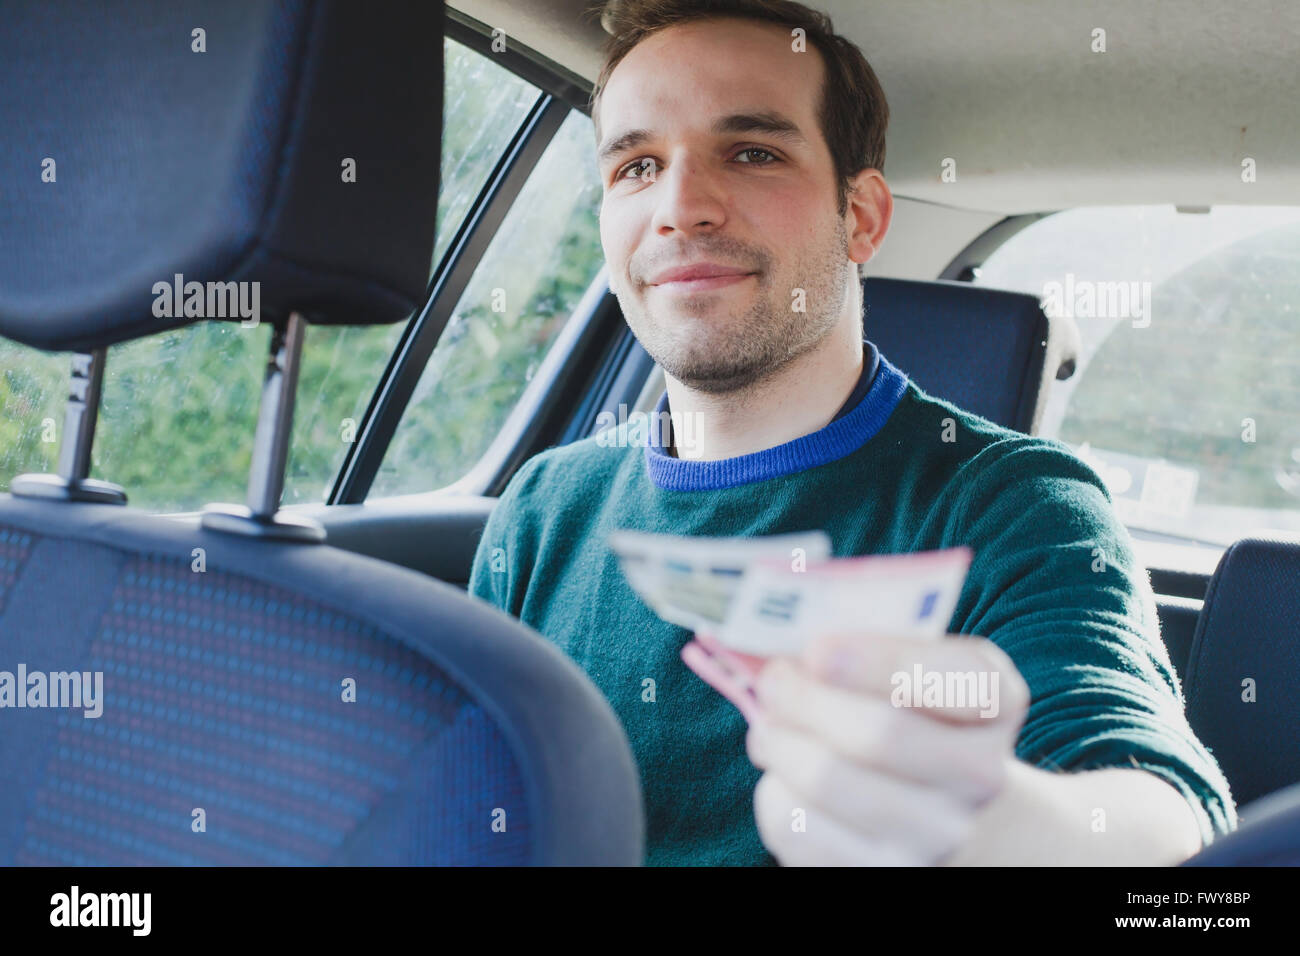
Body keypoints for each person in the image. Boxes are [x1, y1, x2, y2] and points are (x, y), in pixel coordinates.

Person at [468, 0, 1236, 865]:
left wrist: (998, 827)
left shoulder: (1014, 505)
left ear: (862, 217)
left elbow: (1165, 829)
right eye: (637, 166)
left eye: (752, 152)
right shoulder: (541, 507)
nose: (680, 207)